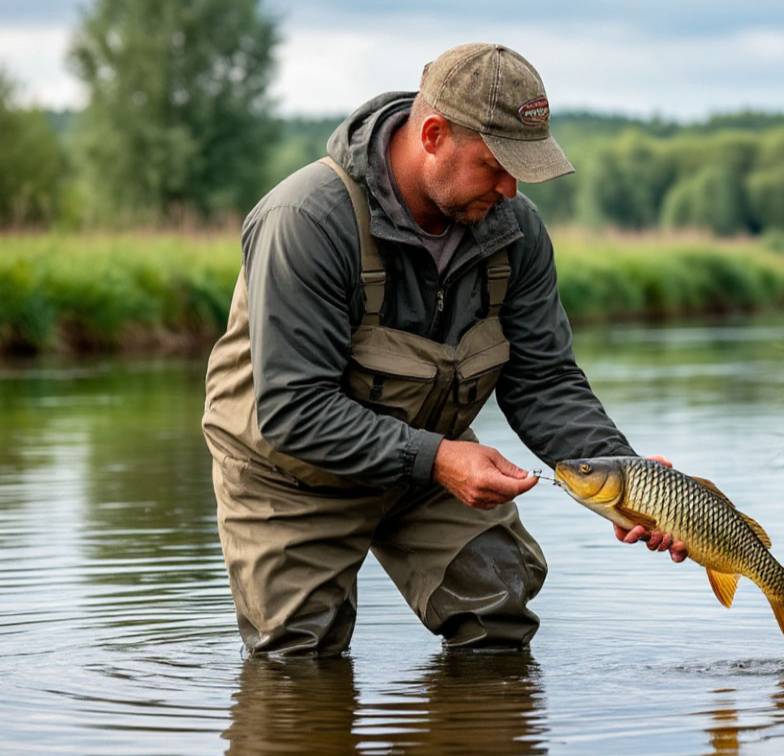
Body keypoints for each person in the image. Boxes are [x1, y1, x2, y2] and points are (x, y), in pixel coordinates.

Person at [202, 42, 686, 657]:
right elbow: (295, 409)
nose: (512, 189)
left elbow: (543, 381)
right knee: (300, 664)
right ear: (433, 135)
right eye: (496, 165)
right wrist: (437, 460)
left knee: (499, 618)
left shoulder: (516, 231)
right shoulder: (306, 220)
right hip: (293, 474)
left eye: (524, 168)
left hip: (431, 464)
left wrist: (628, 478)